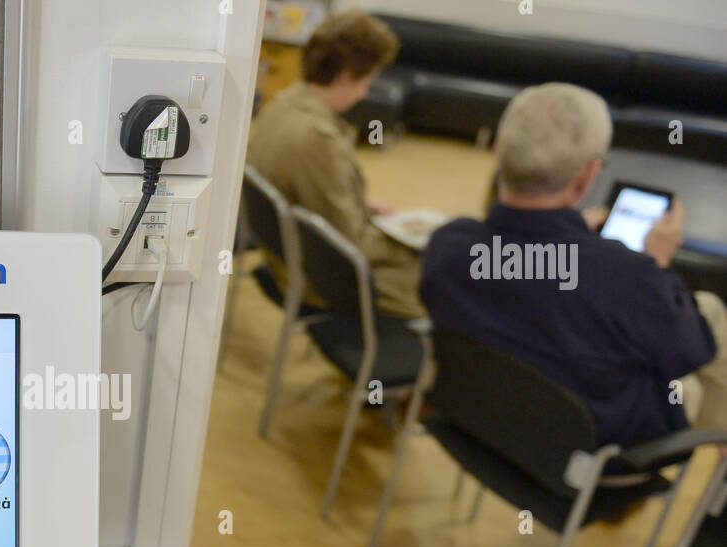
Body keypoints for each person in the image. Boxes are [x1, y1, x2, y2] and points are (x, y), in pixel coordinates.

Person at [422, 82, 727, 451]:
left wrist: (574, 234)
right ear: (587, 176)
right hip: (590, 455)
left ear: (499, 152)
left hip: (482, 423)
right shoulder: (629, 276)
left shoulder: (448, 246)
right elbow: (691, 351)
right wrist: (658, 264)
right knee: (703, 344)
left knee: (701, 310)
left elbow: (532, 272)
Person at [247, 12, 425, 319]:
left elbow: (304, 192)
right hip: (322, 279)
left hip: (287, 255)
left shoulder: (281, 105)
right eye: (367, 80)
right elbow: (347, 244)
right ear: (345, 75)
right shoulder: (319, 140)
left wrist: (362, 204)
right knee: (453, 276)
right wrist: (414, 245)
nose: (366, 92)